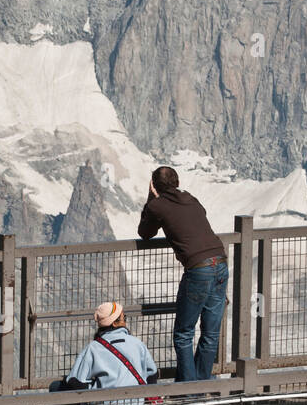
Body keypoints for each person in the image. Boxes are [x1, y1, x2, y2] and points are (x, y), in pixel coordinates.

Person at [138, 166, 228, 381]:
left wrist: (150, 200)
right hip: (220, 262)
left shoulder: (157, 206)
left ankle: (188, 391)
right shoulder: (191, 199)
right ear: (177, 183)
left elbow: (145, 233)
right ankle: (203, 382)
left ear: (155, 186)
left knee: (184, 333)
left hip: (198, 268)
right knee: (210, 332)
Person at [52, 301, 158, 391]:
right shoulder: (138, 344)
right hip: (136, 402)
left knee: (55, 387)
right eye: (123, 318)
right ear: (115, 323)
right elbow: (152, 374)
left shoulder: (93, 348)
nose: (125, 321)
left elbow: (74, 380)